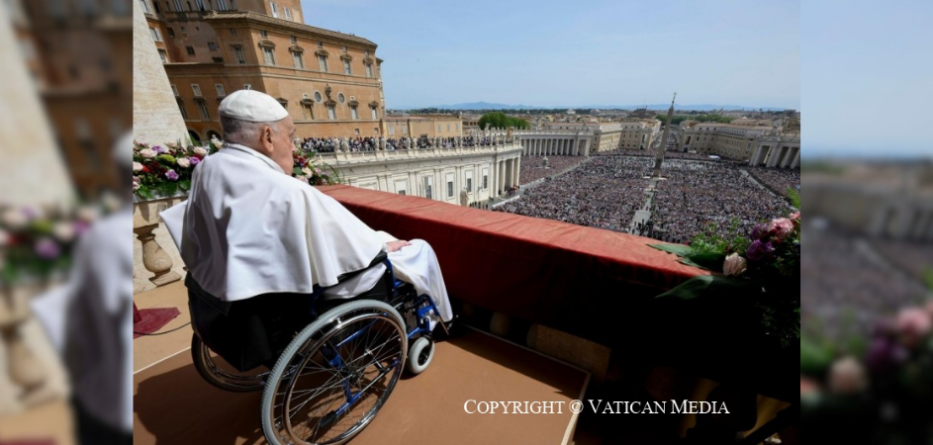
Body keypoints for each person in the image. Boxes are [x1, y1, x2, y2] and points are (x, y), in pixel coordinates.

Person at [174, 90, 453, 326]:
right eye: (291, 137)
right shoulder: (287, 189)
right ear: (268, 137)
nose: (294, 147)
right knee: (419, 248)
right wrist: (380, 247)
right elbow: (351, 246)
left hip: (236, 289)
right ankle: (441, 319)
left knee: (381, 236)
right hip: (319, 290)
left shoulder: (208, 168)